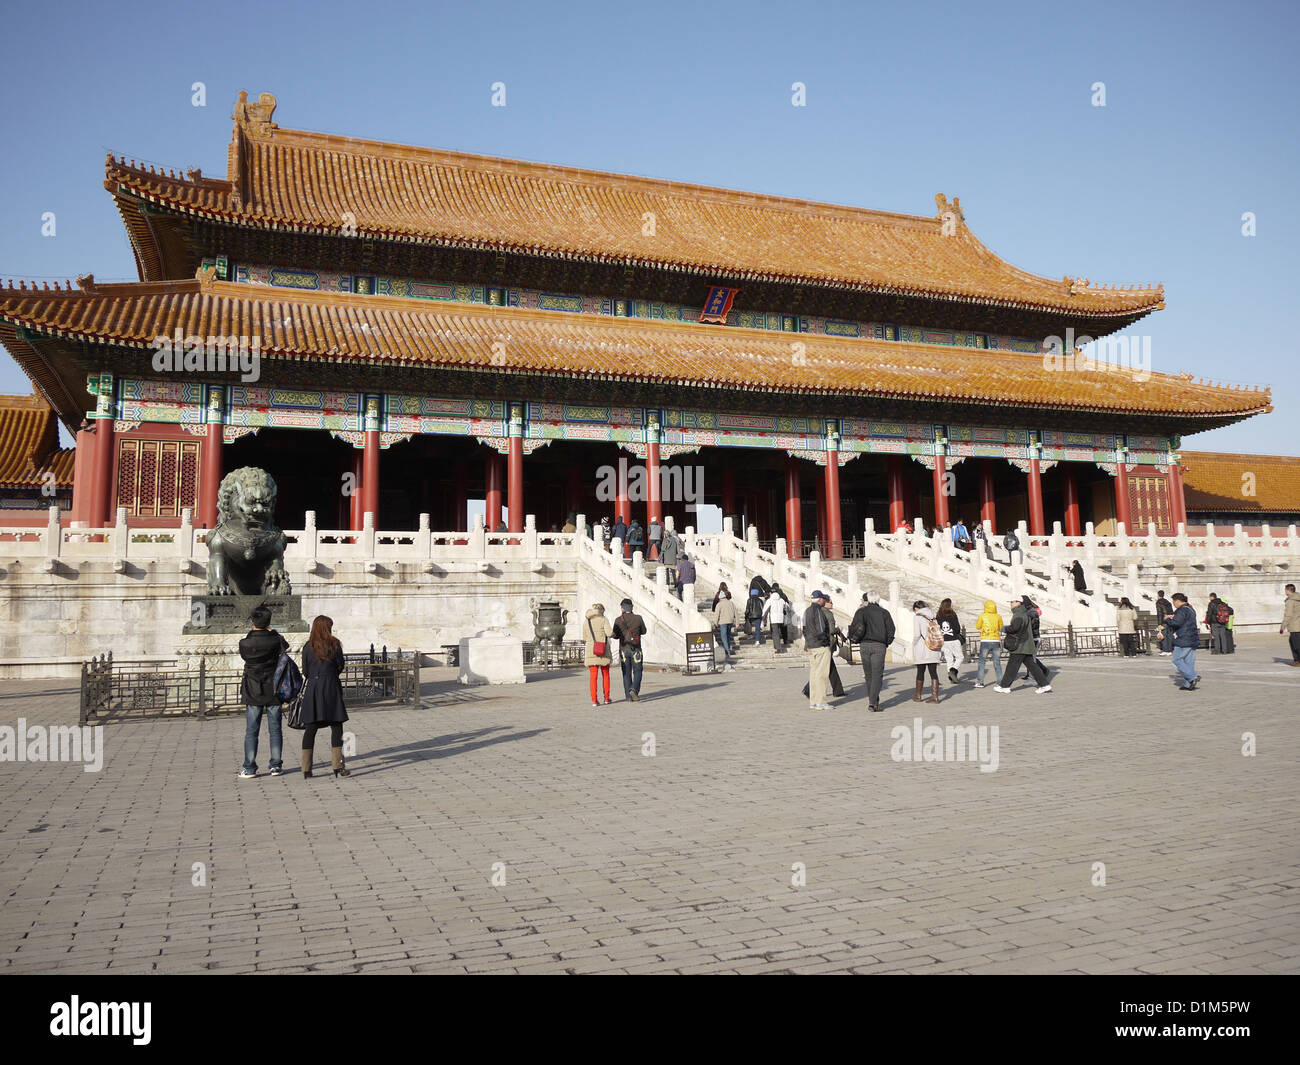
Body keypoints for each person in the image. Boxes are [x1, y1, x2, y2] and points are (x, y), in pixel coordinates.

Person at [237, 604, 290, 779]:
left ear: (252, 622)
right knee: (275, 730)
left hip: (253, 689)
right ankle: (276, 765)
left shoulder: (245, 643)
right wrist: (273, 632)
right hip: (273, 689)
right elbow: (286, 646)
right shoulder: (276, 640)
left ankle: (249, 767)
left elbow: (246, 654)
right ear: (269, 622)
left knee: (251, 730)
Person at [299, 614, 351, 778]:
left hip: (313, 688)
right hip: (331, 687)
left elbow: (305, 671)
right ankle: (337, 766)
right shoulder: (334, 644)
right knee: (336, 727)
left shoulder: (308, 646)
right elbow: (340, 666)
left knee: (310, 729)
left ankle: (306, 769)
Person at [994, 596, 1052, 693]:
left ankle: (1004, 686)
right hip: (1025, 643)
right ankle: (1045, 685)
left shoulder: (1019, 614)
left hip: (1020, 644)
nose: (1011, 604)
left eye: (1012, 602)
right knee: (1032, 666)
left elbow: (1015, 628)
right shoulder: (1022, 612)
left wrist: (1003, 628)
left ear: (1018, 603)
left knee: (1012, 666)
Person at [848, 592, 895, 712]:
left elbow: (854, 627)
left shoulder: (861, 612)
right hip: (879, 645)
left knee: (869, 675)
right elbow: (891, 630)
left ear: (867, 599)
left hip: (864, 645)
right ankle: (873, 702)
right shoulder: (884, 613)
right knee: (877, 675)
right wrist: (886, 642)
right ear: (879, 600)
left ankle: (873, 701)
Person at [803, 590, 833, 711]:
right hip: (820, 646)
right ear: (820, 599)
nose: (824, 601)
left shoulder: (807, 611)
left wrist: (808, 642)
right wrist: (825, 642)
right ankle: (821, 702)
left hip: (811, 645)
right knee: (822, 675)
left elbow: (804, 629)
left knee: (814, 674)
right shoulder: (818, 611)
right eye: (823, 599)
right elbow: (821, 629)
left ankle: (814, 701)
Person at [613, 598, 647, 701]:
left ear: (622, 608)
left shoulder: (618, 620)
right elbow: (644, 631)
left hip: (623, 649)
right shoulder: (638, 618)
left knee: (626, 673)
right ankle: (634, 689)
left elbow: (615, 635)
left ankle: (628, 697)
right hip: (636, 649)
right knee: (638, 671)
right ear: (631, 607)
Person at [1166, 592, 1201, 691]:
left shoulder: (1181, 610)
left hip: (1184, 639)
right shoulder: (1190, 609)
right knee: (1189, 662)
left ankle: (1192, 677)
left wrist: (1167, 620)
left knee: (1176, 660)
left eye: (1173, 601)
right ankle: (1188, 684)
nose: (1173, 604)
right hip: (1193, 638)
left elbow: (1177, 623)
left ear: (1177, 601)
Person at [583, 602, 614, 707]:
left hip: (591, 651)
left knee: (593, 677)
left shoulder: (586, 621)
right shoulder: (604, 619)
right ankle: (606, 698)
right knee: (605, 675)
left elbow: (584, 638)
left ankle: (594, 700)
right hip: (603, 651)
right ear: (602, 610)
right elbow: (609, 633)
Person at [912, 601, 942, 704]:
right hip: (933, 647)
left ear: (916, 608)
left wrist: (914, 644)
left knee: (920, 672)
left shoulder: (918, 616)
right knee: (933, 672)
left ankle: (918, 695)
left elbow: (917, 634)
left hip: (922, 648)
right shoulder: (933, 615)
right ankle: (935, 697)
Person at [973, 600, 1003, 688]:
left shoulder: (982, 616)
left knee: (982, 662)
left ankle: (980, 682)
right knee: (997, 662)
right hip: (996, 640)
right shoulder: (998, 616)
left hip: (985, 640)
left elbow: (978, 626)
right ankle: (1000, 682)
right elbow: (1001, 628)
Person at [936, 597, 965, 683]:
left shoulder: (938, 616)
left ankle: (952, 678)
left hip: (944, 641)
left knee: (949, 659)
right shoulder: (953, 614)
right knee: (960, 657)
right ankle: (953, 670)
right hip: (954, 639)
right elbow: (957, 628)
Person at [763, 585, 788, 653]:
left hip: (774, 619)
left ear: (771, 593)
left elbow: (765, 610)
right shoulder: (782, 600)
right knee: (777, 632)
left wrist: (764, 619)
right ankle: (777, 644)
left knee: (775, 633)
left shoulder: (770, 600)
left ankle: (778, 648)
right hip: (781, 618)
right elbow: (786, 607)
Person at [1279, 583, 1300, 666]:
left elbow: (1288, 615)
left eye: (1285, 590)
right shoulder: (1297, 598)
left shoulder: (1291, 601)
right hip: (1298, 624)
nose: (1285, 591)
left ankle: (1297, 660)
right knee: (1293, 642)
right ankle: (1297, 660)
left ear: (1288, 590)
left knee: (1296, 645)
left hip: (1294, 625)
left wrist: (1282, 627)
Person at [714, 589, 737, 661]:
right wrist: (737, 622)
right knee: (728, 636)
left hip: (723, 622)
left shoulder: (719, 604)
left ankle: (727, 651)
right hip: (730, 621)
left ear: (720, 598)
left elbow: (716, 615)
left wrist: (715, 623)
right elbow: (736, 612)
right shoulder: (731, 603)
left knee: (724, 637)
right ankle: (727, 650)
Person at [1155, 589, 1174, 655]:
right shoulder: (1168, 602)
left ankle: (1165, 650)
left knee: (1163, 635)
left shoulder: (1159, 602)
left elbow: (1159, 613)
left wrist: (1159, 623)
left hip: (1163, 621)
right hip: (1169, 620)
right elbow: (1171, 612)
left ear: (1158, 595)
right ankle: (1170, 650)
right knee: (1169, 635)